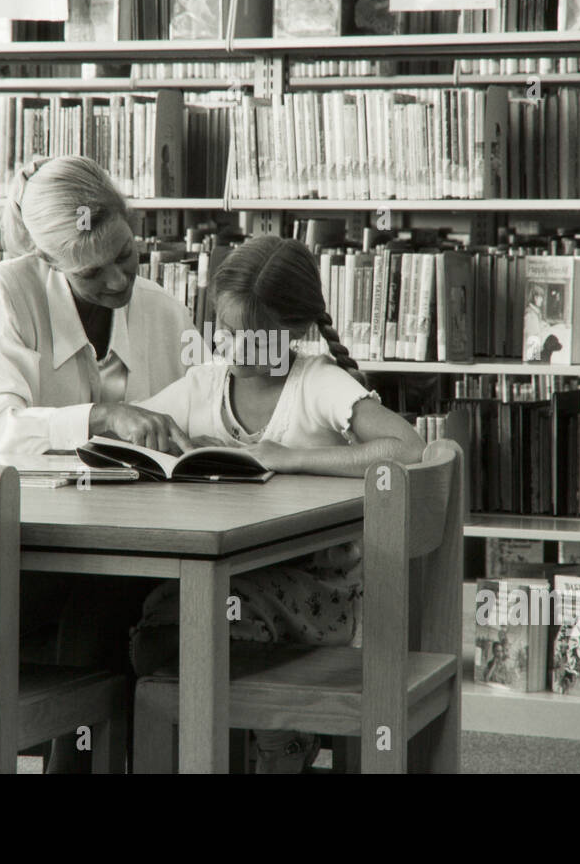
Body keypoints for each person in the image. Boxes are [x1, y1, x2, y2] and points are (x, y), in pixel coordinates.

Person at [0, 155, 198, 771]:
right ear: (49, 263)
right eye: (91, 272)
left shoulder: (163, 311)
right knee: (116, 594)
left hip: (115, 548)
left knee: (123, 584)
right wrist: (98, 418)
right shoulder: (6, 294)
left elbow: (201, 411)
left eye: (126, 255)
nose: (119, 282)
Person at [129, 236, 427, 772]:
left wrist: (288, 457)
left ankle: (277, 734)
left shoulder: (318, 384)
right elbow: (131, 427)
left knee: (205, 623)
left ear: (298, 332)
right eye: (225, 332)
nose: (234, 350)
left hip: (318, 591)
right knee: (163, 627)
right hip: (229, 571)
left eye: (253, 338)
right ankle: (235, 739)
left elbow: (408, 447)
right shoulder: (202, 385)